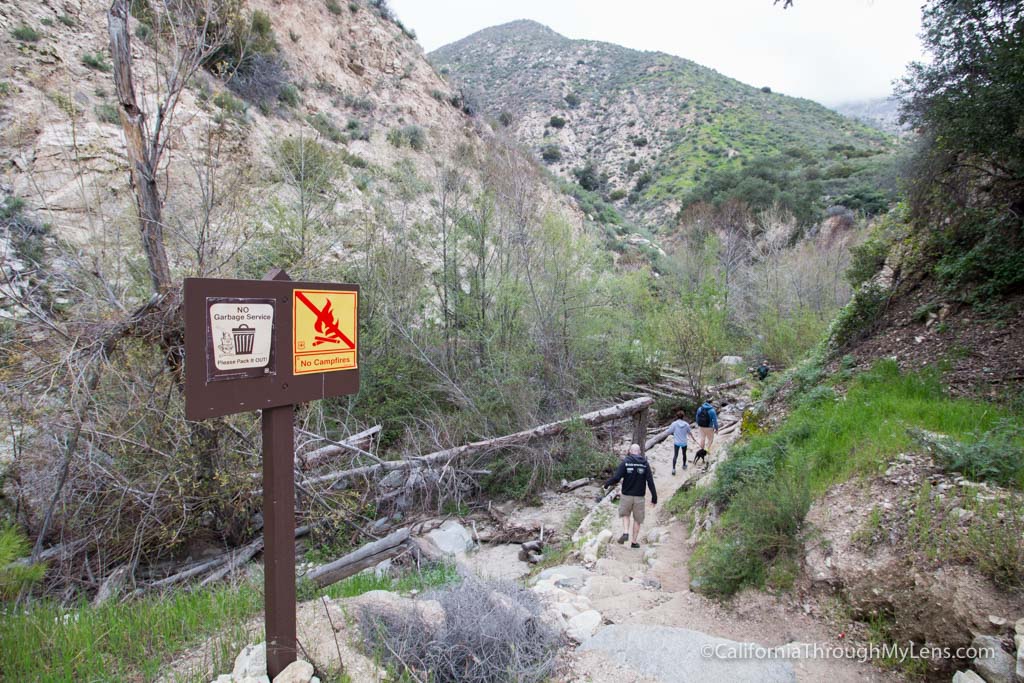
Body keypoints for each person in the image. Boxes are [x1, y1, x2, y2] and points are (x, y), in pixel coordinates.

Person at [602, 443, 657, 548]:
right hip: (639, 496)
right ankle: (634, 542)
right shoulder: (645, 463)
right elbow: (650, 481)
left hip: (626, 495)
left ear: (630, 451)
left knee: (625, 514)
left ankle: (626, 532)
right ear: (639, 452)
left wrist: (607, 483)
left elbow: (617, 477)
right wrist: (654, 497)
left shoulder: (626, 462)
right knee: (637, 519)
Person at [667, 410, 694, 475]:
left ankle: (673, 469)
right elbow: (689, 432)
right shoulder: (686, 424)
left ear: (677, 416)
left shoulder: (674, 424)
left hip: (676, 442)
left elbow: (669, 431)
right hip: (684, 442)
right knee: (684, 454)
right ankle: (684, 465)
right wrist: (693, 438)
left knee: (675, 455)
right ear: (683, 416)